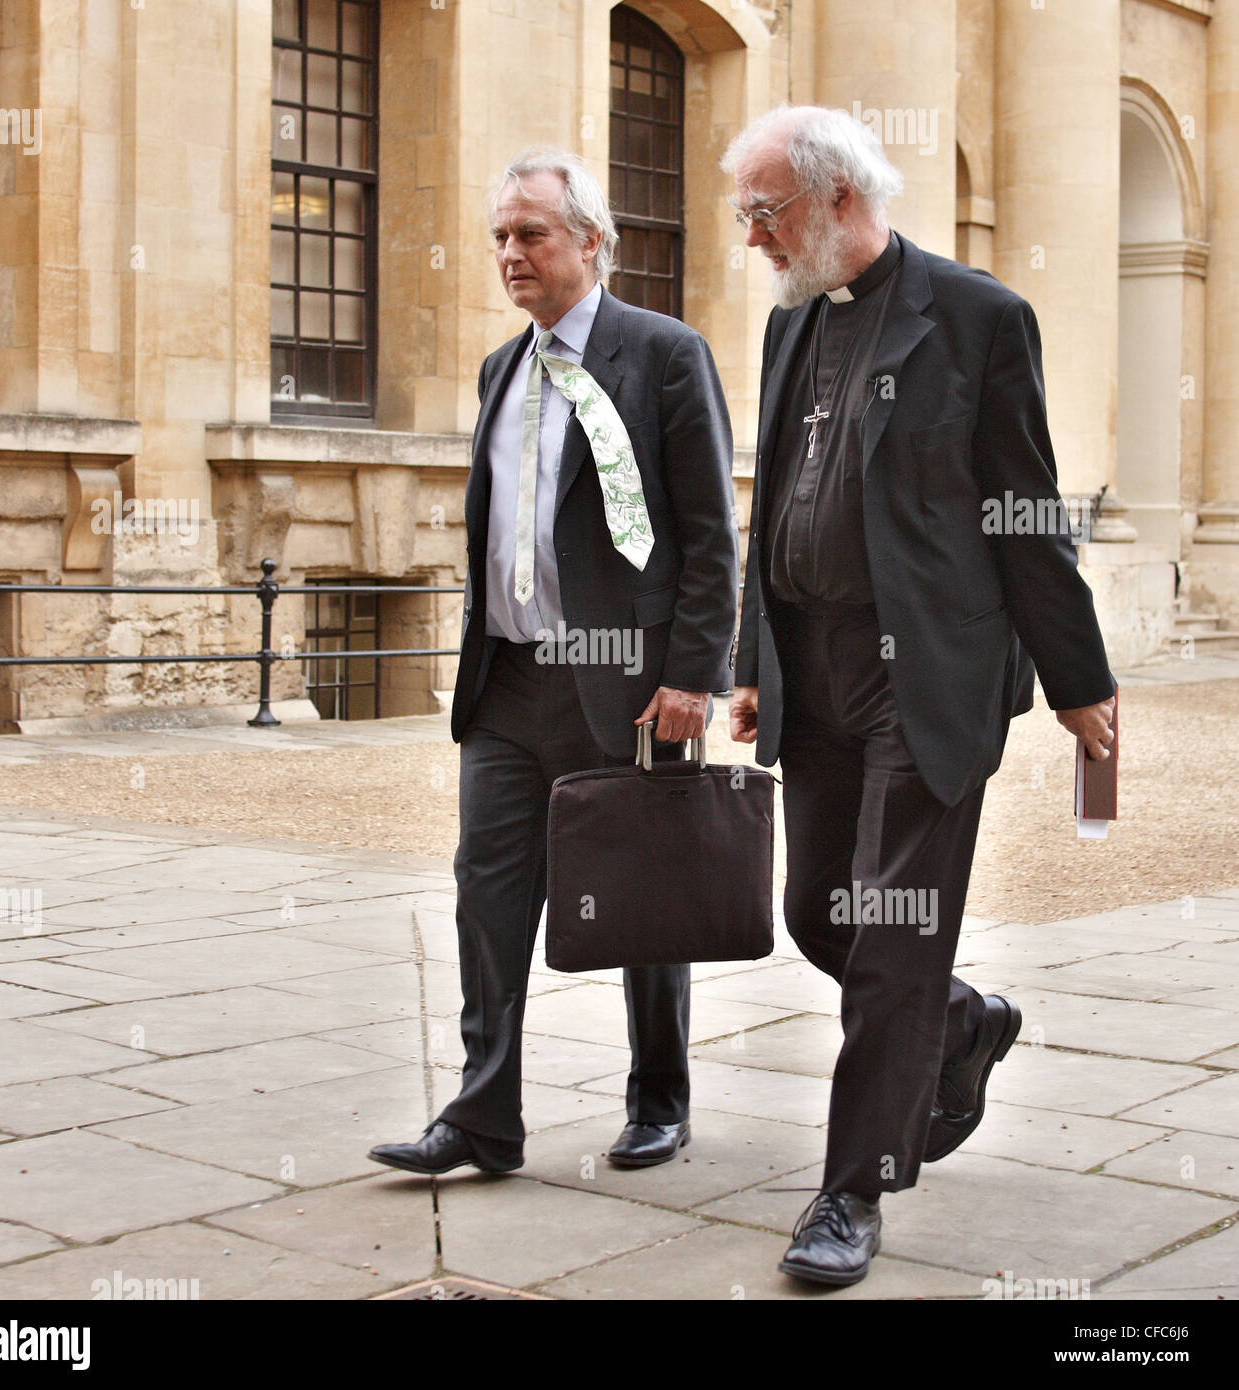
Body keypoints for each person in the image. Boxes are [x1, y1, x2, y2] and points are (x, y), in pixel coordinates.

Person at [723, 106, 1117, 1286]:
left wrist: (1078, 681)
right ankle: (959, 1023)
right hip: (816, 664)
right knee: (816, 913)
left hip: (927, 673)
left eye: (764, 212)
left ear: (839, 199)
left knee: (891, 934)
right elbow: (772, 507)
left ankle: (851, 1189)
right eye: (744, 215)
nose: (750, 238)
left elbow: (1028, 512)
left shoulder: (980, 319)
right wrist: (755, 655)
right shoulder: (791, 320)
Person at [369, 148, 739, 1178]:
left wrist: (692, 673)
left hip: (624, 687)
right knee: (485, 897)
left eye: (528, 232)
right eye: (498, 235)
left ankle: (657, 1098)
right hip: (505, 688)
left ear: (590, 240)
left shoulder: (663, 354)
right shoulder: (501, 370)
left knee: (643, 896)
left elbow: (710, 530)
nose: (508, 253)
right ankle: (483, 1115)